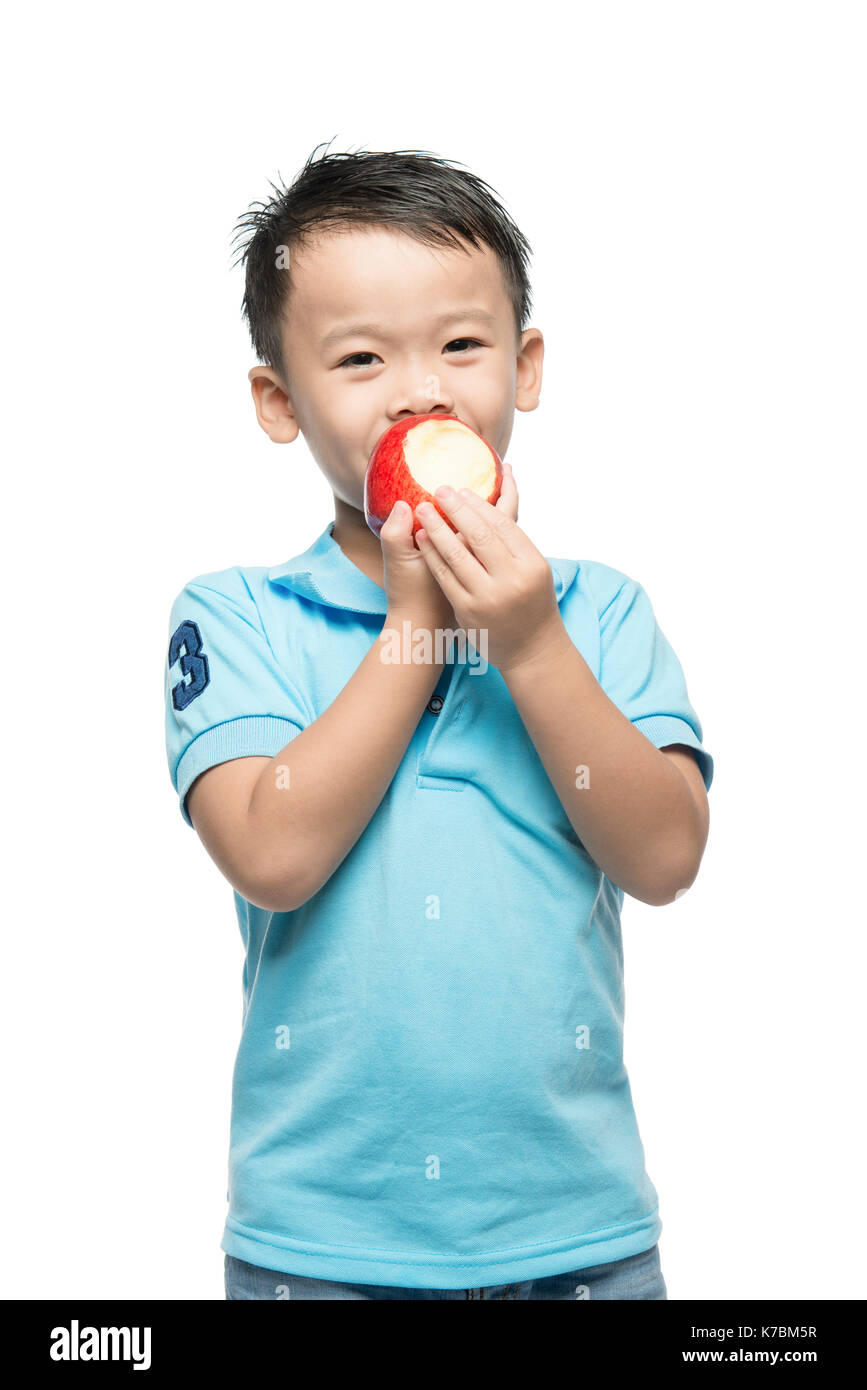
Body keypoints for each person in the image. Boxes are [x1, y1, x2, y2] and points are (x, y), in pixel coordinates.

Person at [164, 143, 713, 1301]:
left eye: (461, 346)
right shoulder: (238, 616)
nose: (419, 391)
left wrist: (525, 642)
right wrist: (416, 619)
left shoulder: (595, 611)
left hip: (579, 1238)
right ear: (279, 400)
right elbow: (272, 854)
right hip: (322, 1249)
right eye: (361, 358)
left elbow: (665, 856)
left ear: (525, 368)